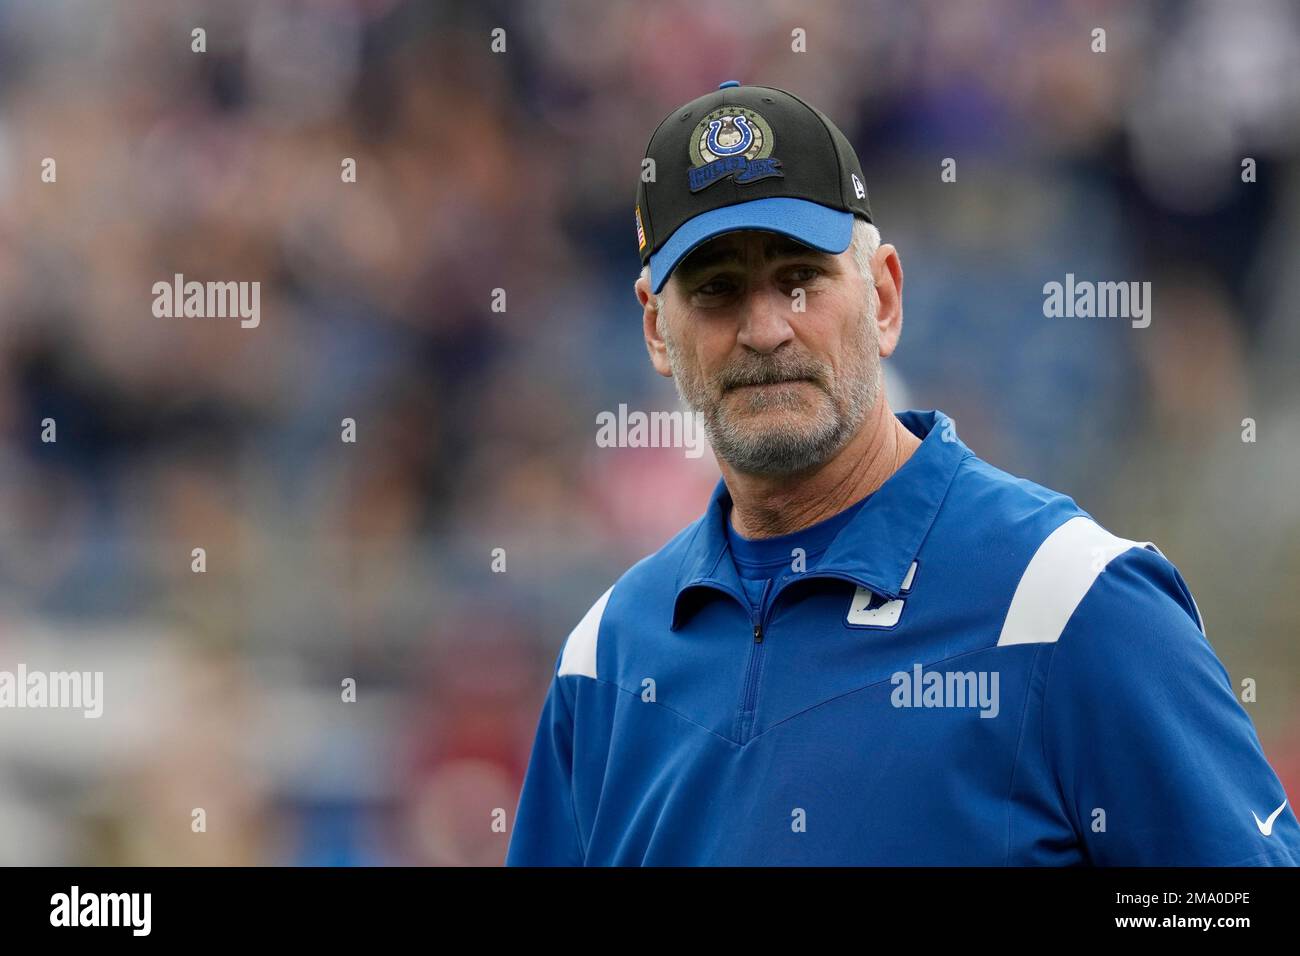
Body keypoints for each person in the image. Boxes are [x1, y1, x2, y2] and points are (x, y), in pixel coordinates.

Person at [505, 82, 1300, 865]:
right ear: (654, 328)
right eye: (716, 290)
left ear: (883, 297)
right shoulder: (604, 663)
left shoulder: (1065, 602)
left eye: (799, 278)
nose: (765, 328)